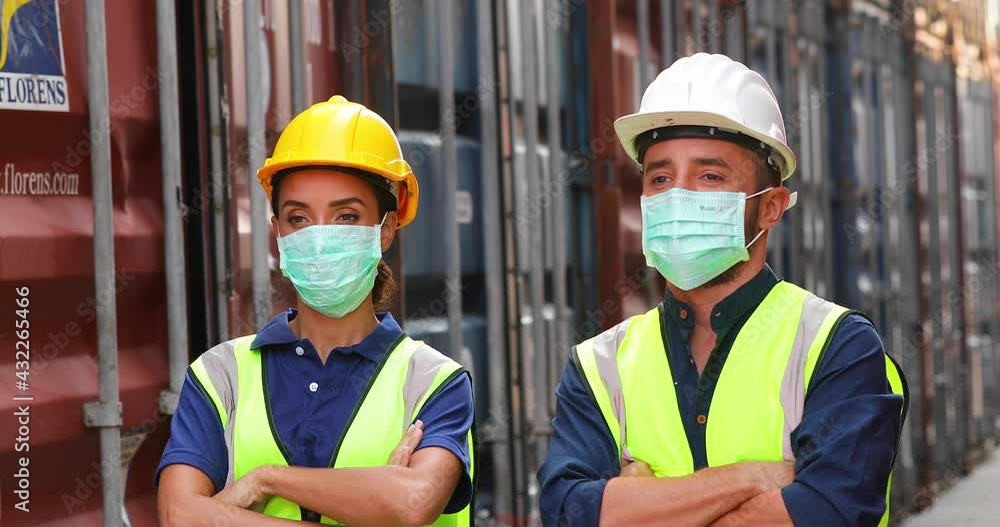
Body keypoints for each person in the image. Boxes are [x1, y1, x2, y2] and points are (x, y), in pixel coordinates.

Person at [538, 53, 907, 526]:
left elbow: (827, 512)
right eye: (661, 178)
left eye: (710, 177)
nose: (679, 197)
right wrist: (751, 478)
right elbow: (567, 512)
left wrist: (643, 507)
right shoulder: (598, 366)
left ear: (771, 207)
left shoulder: (838, 347)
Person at [156, 95, 475, 526]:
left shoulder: (434, 383)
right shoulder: (220, 376)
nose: (320, 238)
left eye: (345, 216)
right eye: (299, 218)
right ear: (277, 231)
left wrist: (269, 480)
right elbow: (179, 516)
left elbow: (413, 503)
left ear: (387, 228)